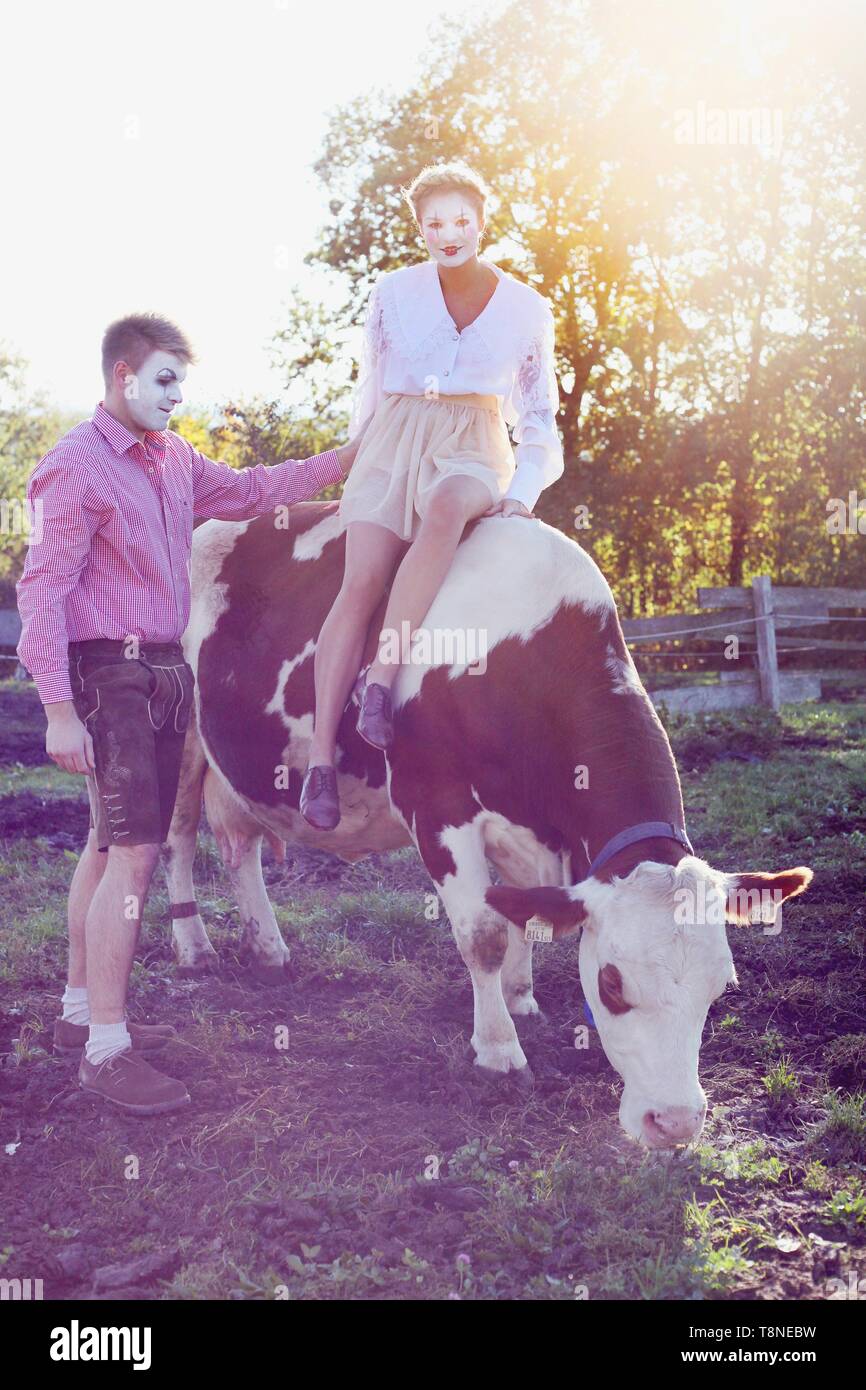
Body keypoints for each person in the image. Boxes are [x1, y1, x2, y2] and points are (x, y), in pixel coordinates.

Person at [16, 312, 366, 1115]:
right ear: (122, 376)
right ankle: (107, 1048)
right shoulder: (72, 468)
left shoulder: (172, 459)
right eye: (164, 380)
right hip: (111, 677)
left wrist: (349, 458)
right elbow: (42, 591)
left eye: (183, 381)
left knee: (109, 843)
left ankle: (79, 1017)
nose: (176, 396)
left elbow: (252, 491)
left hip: (170, 671)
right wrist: (59, 708)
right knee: (135, 855)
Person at [300, 161, 564, 830]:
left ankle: (380, 684)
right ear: (420, 229)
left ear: (483, 221)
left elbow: (537, 413)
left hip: (475, 442)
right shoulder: (392, 292)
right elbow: (371, 386)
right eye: (433, 223)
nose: (448, 234)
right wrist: (357, 458)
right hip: (394, 437)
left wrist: (525, 489)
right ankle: (319, 763)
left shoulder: (528, 309)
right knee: (360, 582)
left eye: (460, 221)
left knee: (448, 507)